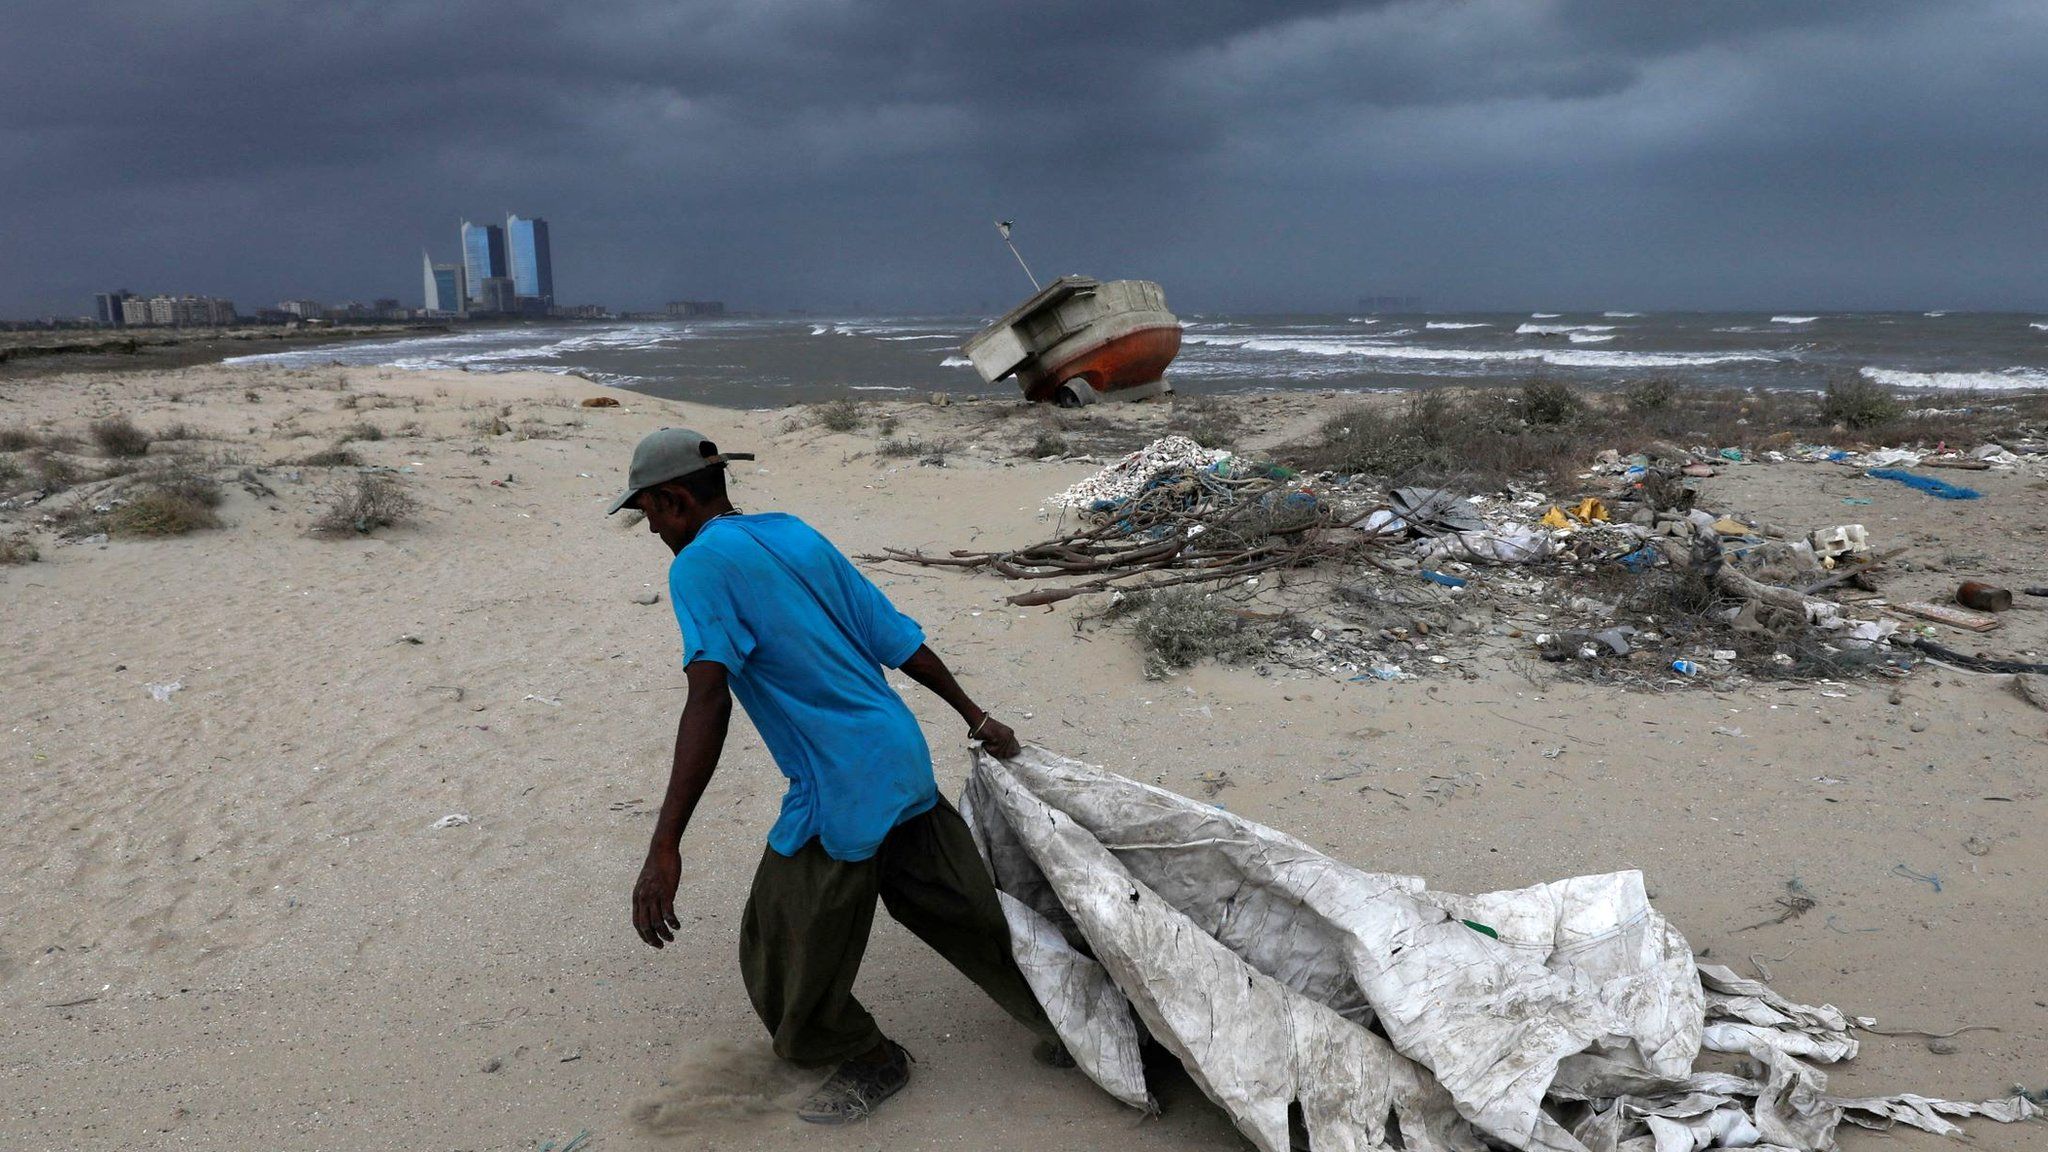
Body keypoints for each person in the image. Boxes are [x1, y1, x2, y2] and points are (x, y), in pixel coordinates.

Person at [611, 427, 1063, 1124]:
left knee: (778, 950)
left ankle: (869, 1057)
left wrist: (664, 843)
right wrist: (975, 715)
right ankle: (1075, 1020)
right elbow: (898, 638)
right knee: (970, 915)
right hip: (901, 757)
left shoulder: (698, 566)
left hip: (840, 786)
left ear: (673, 499)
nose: (651, 530)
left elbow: (709, 699)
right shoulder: (793, 532)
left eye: (647, 512)